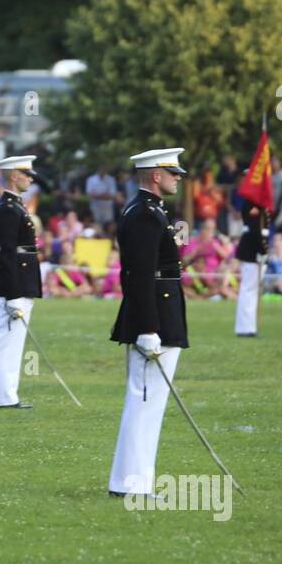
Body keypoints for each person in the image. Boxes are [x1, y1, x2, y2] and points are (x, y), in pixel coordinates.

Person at [108, 147, 189, 500]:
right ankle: (131, 484)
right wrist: (147, 328)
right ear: (156, 175)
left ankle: (135, 480)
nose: (178, 179)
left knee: (150, 403)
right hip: (154, 317)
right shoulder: (144, 213)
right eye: (173, 173)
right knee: (144, 401)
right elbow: (138, 276)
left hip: (162, 312)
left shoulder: (151, 210)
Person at [0, 156, 42, 410]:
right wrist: (12, 294)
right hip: (14, 283)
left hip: (22, 279)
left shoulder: (17, 206)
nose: (31, 178)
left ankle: (7, 395)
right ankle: (2, 397)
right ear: (13, 176)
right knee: (7, 341)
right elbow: (7, 252)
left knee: (13, 342)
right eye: (26, 174)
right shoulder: (8, 209)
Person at [234, 199, 268, 336]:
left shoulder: (257, 204)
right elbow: (255, 229)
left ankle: (249, 326)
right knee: (249, 289)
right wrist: (261, 250)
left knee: (252, 290)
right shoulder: (251, 204)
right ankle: (245, 328)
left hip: (254, 249)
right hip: (252, 250)